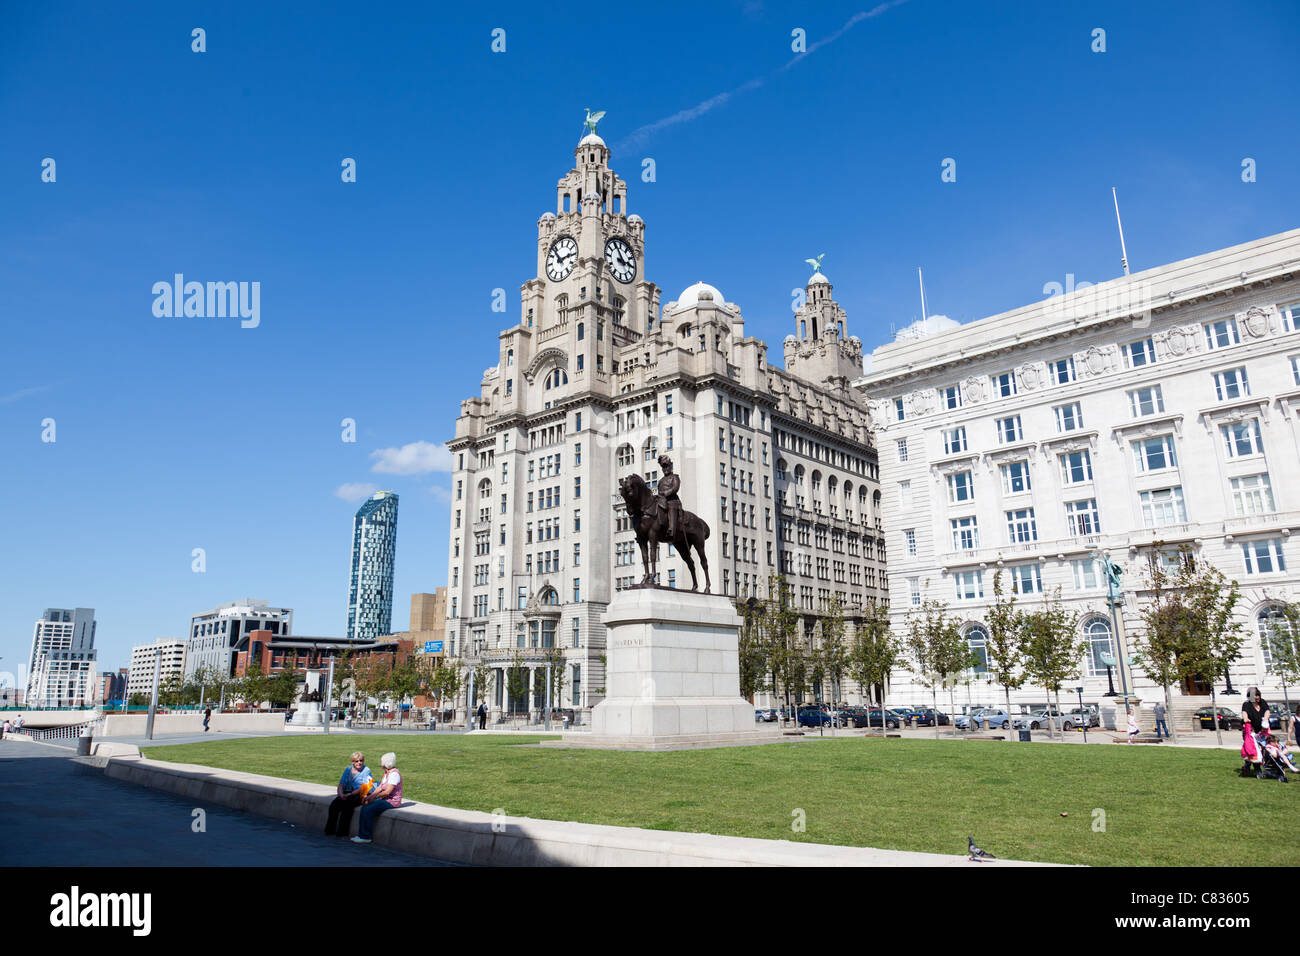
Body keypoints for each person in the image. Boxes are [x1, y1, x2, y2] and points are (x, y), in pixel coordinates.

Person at [352, 752, 402, 844]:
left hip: (392, 801)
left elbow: (387, 792)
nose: (381, 764)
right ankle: (361, 835)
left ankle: (365, 836)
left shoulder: (394, 774)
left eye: (382, 762)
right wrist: (370, 797)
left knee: (368, 809)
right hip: (385, 799)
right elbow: (379, 788)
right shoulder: (387, 773)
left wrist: (375, 797)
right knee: (366, 806)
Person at [325, 752, 371, 837]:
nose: (359, 763)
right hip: (346, 793)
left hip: (358, 794)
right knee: (334, 805)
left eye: (361, 760)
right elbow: (341, 784)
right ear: (353, 762)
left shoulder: (366, 770)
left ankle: (342, 833)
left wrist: (350, 794)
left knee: (347, 807)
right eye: (356, 761)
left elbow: (364, 787)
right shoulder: (347, 770)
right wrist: (340, 794)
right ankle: (329, 830)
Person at [656, 454, 682, 541]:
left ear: (670, 466)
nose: (665, 469)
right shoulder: (660, 481)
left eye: (666, 466)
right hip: (661, 501)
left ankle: (671, 529)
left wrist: (666, 493)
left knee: (671, 508)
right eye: (663, 467)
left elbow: (675, 488)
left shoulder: (675, 477)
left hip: (672, 501)